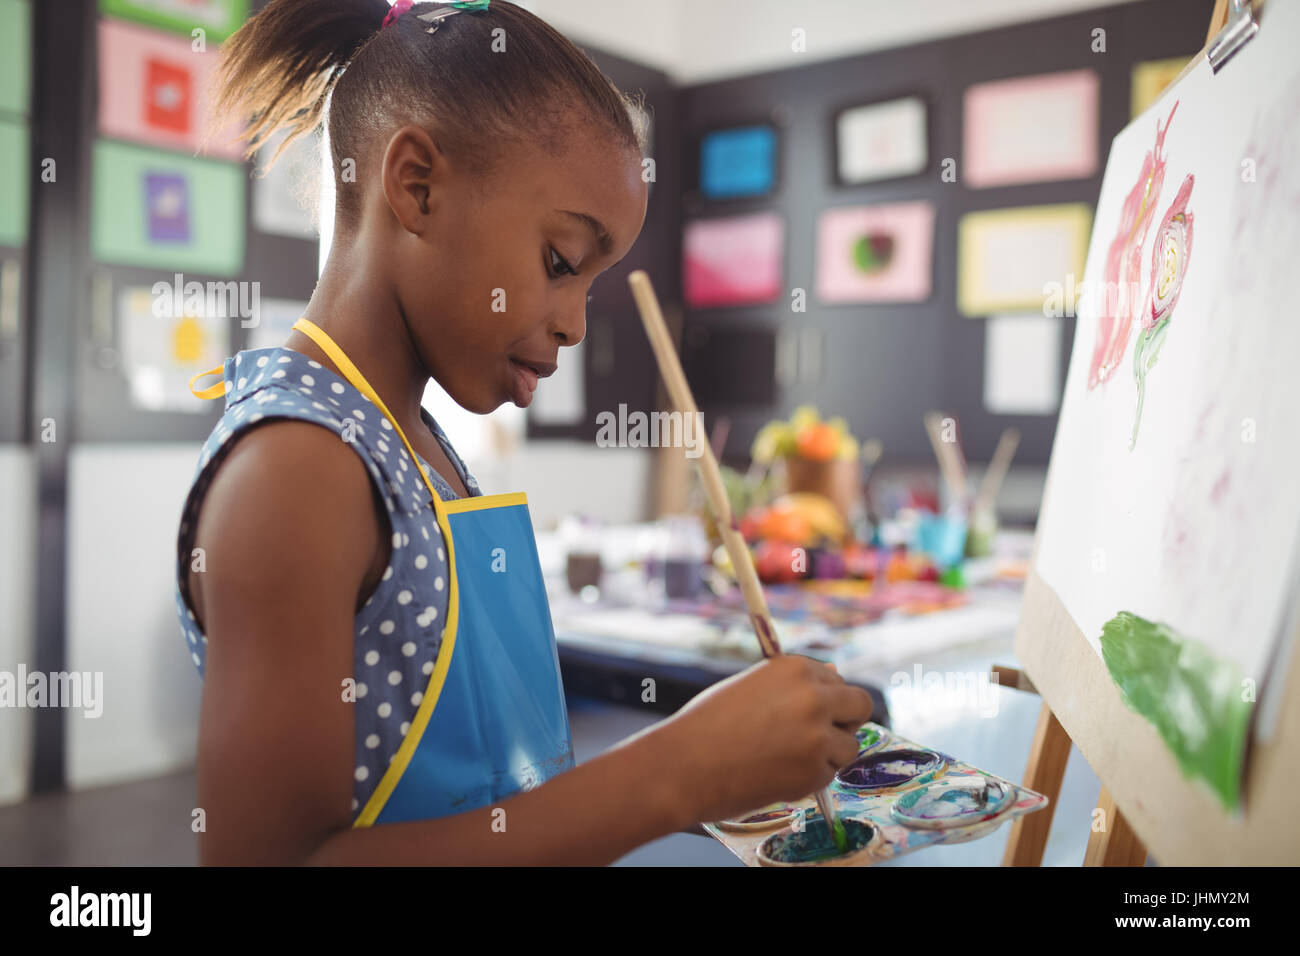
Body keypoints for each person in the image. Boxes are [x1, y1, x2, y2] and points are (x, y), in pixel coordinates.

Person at [176, 0, 871, 865]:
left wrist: (714, 764)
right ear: (416, 186)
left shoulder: (413, 444)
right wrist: (672, 776)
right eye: (559, 263)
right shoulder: (300, 467)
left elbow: (495, 796)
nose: (576, 325)